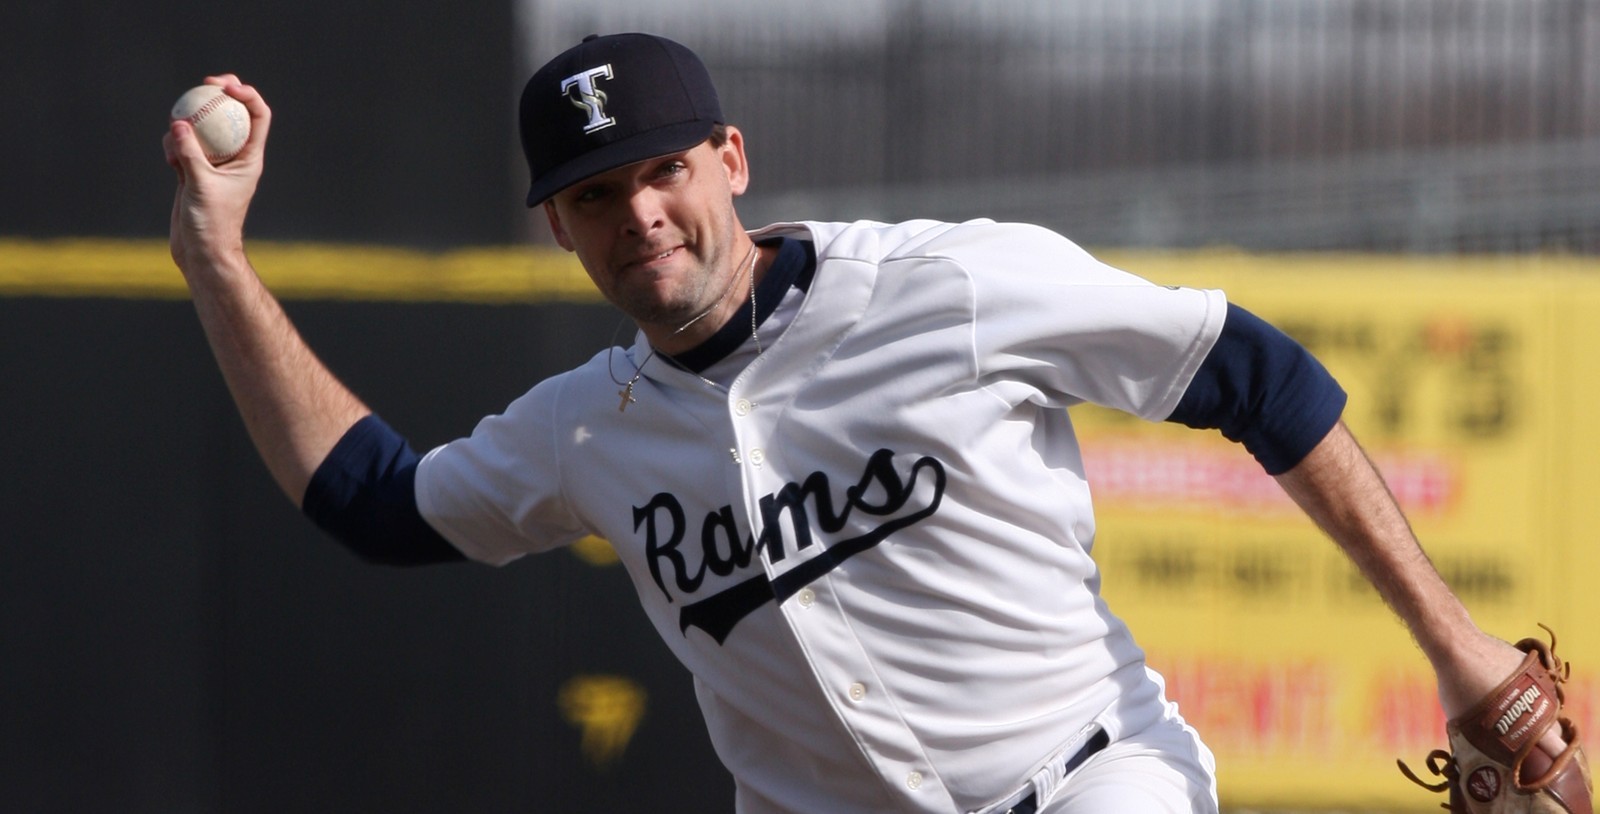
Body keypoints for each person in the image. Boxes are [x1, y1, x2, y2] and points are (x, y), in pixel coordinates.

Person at [163, 33, 1574, 814]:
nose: (640, 215)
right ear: (558, 230)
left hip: (1093, 781)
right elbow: (372, 500)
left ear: (730, 159)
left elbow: (1253, 372)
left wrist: (1456, 650)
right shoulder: (581, 434)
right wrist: (219, 262)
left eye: (662, 170)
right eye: (595, 195)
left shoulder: (948, 285)